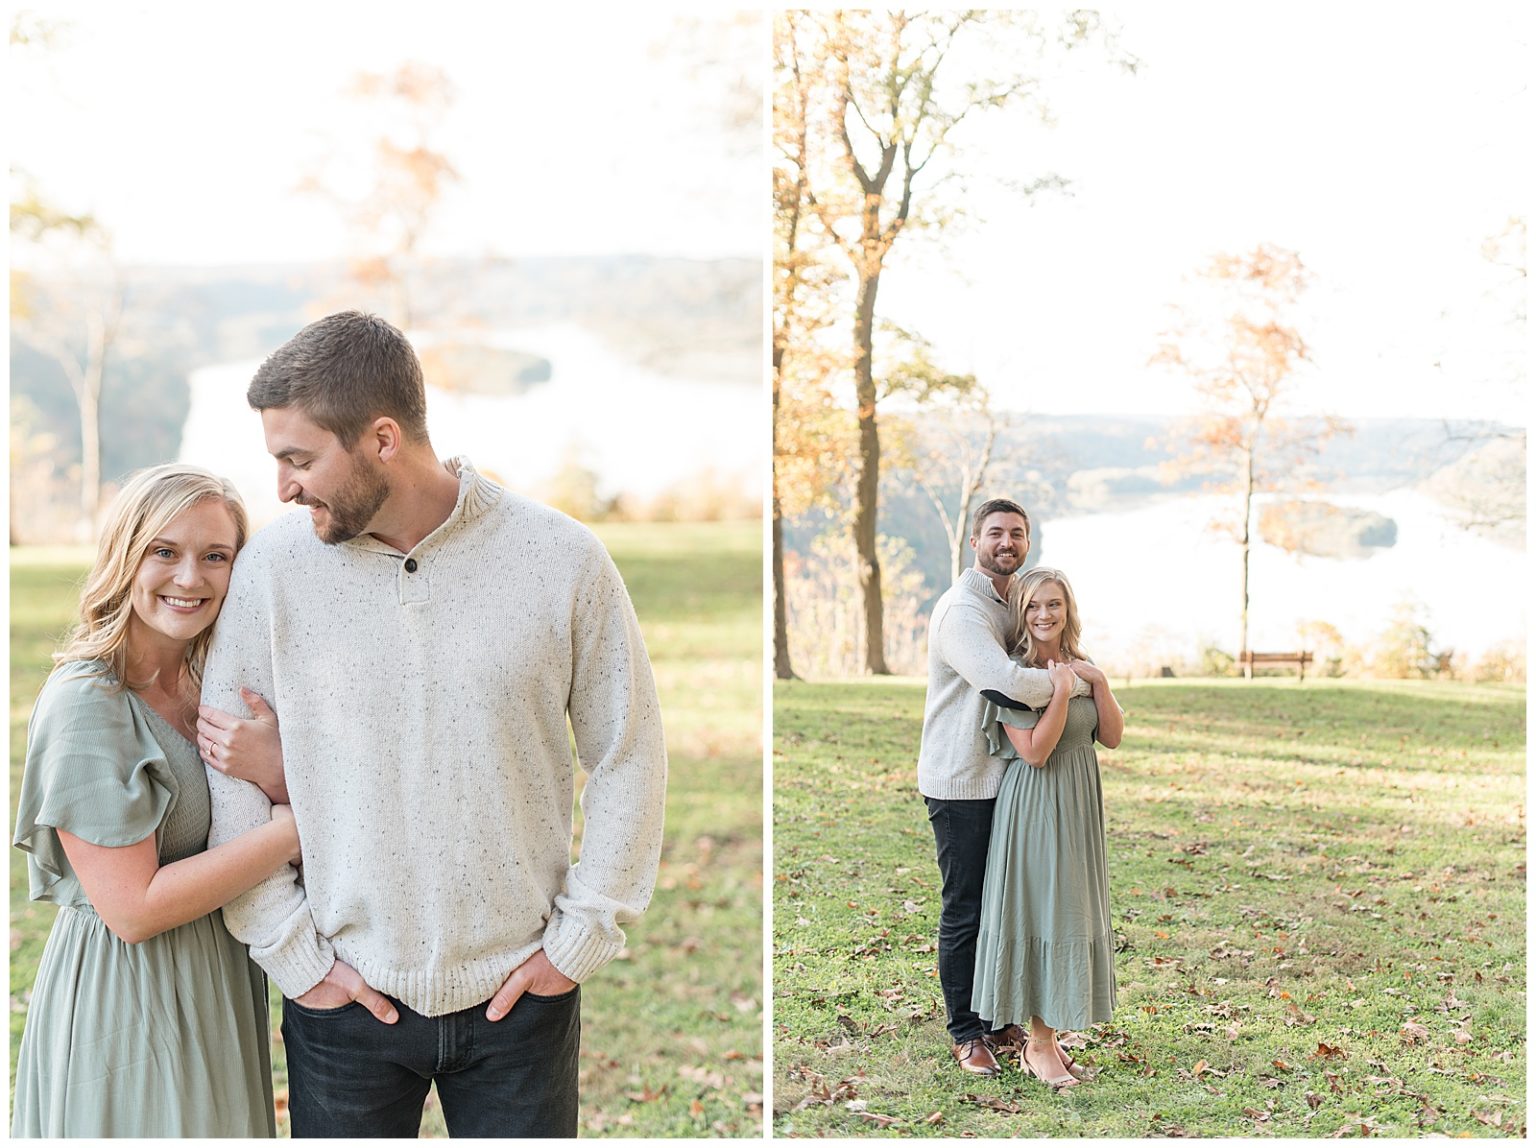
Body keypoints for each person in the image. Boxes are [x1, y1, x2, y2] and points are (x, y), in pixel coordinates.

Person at [201, 310, 669, 1138]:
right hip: (341, 1005)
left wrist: (579, 940)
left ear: (382, 438)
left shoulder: (561, 559)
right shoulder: (271, 572)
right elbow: (228, 769)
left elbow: (628, 751)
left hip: (521, 1005)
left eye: (299, 459)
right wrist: (294, 956)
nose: (281, 488)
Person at [11, 464, 298, 1138]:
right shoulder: (88, 702)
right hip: (128, 1001)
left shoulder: (212, 684)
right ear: (124, 556)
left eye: (215, 556)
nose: (190, 577)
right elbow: (133, 910)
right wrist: (298, 827)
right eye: (164, 551)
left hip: (216, 985)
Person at [917, 498, 1091, 1077]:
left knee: (1002, 907)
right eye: (996, 534)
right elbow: (1006, 681)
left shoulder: (1011, 602)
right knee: (966, 908)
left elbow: (1036, 649)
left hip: (1009, 785)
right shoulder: (963, 611)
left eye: (1017, 534)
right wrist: (1074, 681)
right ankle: (967, 1033)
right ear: (975, 542)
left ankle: (995, 1019)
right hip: (961, 778)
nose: (1007, 543)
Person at [971, 566, 1122, 1090]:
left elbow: (1113, 735)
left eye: (1052, 605)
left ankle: (1048, 1039)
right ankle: (1037, 1045)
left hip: (1079, 803)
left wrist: (1096, 680)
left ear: (1067, 610)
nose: (1043, 615)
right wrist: (1060, 691)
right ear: (1021, 613)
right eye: (1033, 606)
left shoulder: (1083, 667)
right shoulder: (1011, 676)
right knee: (1045, 911)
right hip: (1035, 805)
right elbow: (1034, 753)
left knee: (1071, 912)